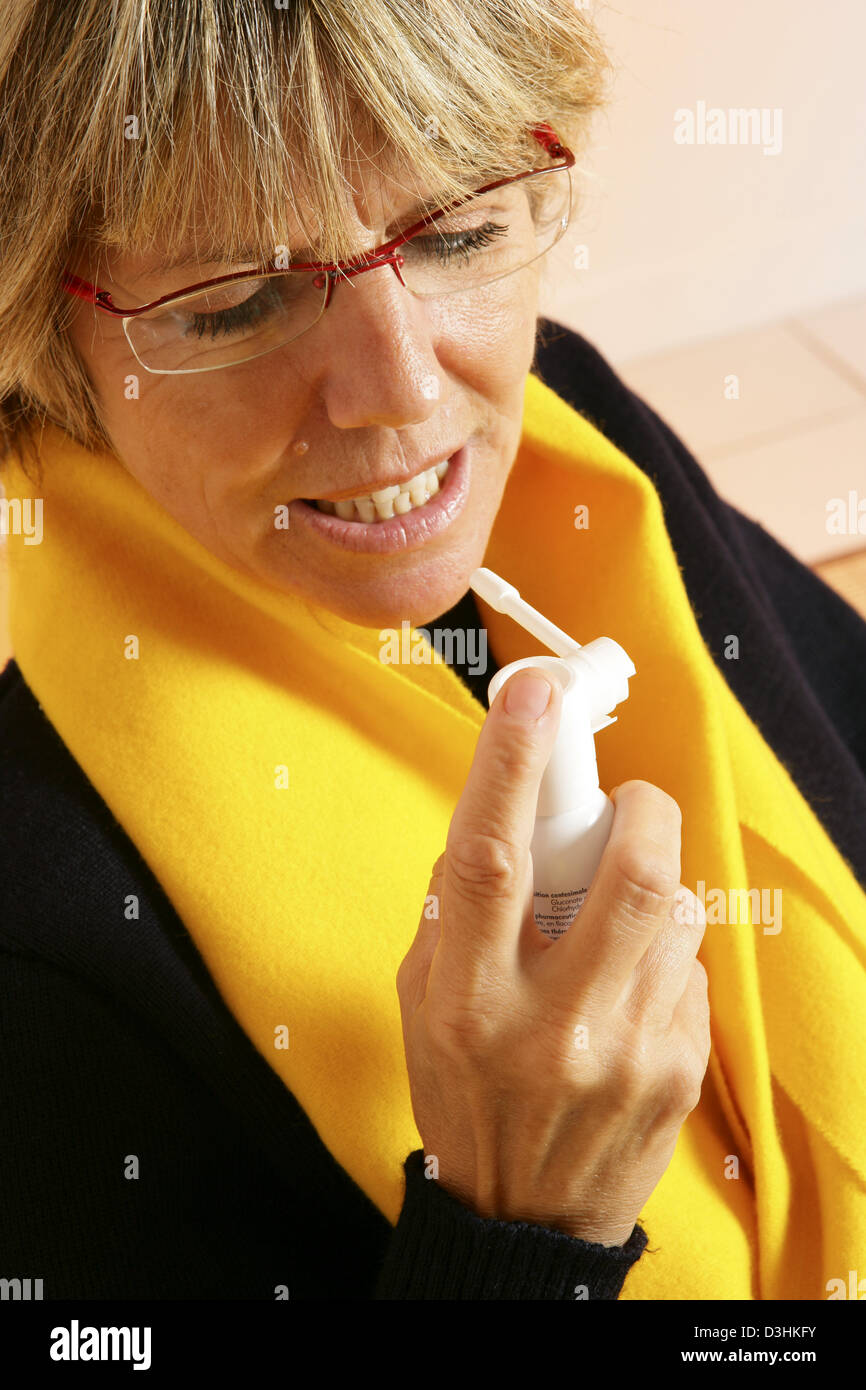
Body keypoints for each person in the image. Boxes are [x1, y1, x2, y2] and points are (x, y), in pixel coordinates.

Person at [1, 1, 864, 1303]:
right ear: (39, 324)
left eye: (456, 232)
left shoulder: (572, 422)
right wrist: (519, 1228)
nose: (403, 393)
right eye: (236, 305)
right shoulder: (45, 955)